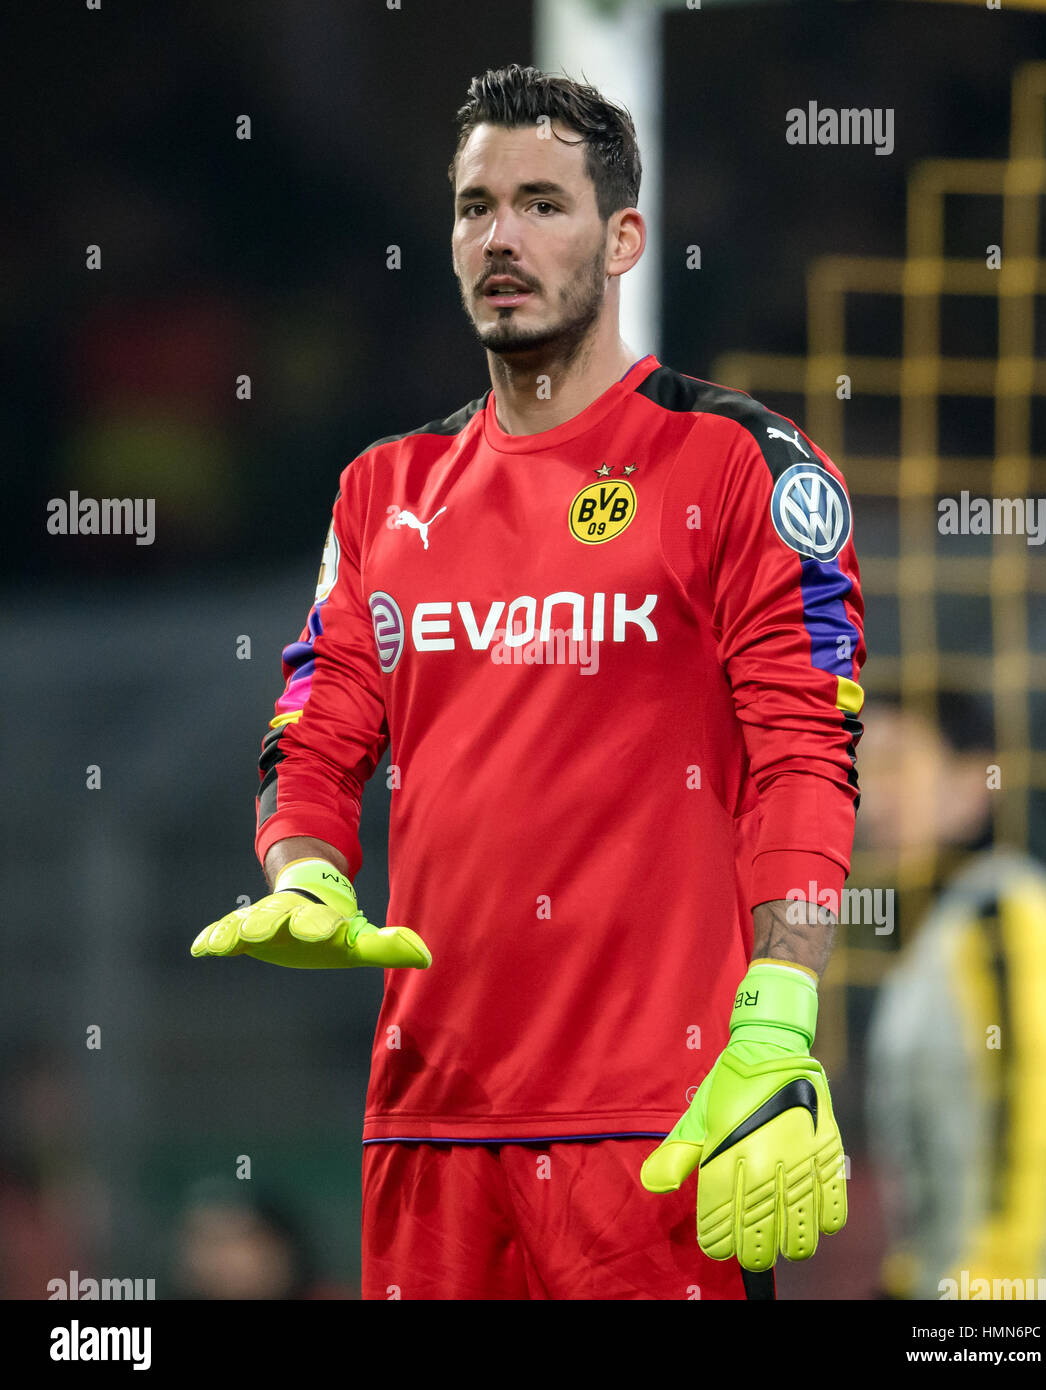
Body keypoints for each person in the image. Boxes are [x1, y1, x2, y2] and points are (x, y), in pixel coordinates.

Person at [192, 64, 866, 1300]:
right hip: (426, 1128)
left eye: (542, 203)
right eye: (473, 205)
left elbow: (803, 751)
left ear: (621, 239)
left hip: (659, 1124)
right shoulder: (382, 491)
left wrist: (779, 1008)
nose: (498, 236)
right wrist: (306, 865)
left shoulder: (738, 467)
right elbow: (318, 716)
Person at [863, 695, 1046, 1301]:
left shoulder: (1005, 911)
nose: (872, 800)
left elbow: (1033, 1120)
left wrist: (992, 1293)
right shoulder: (943, 932)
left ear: (972, 779)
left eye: (895, 765)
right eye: (862, 771)